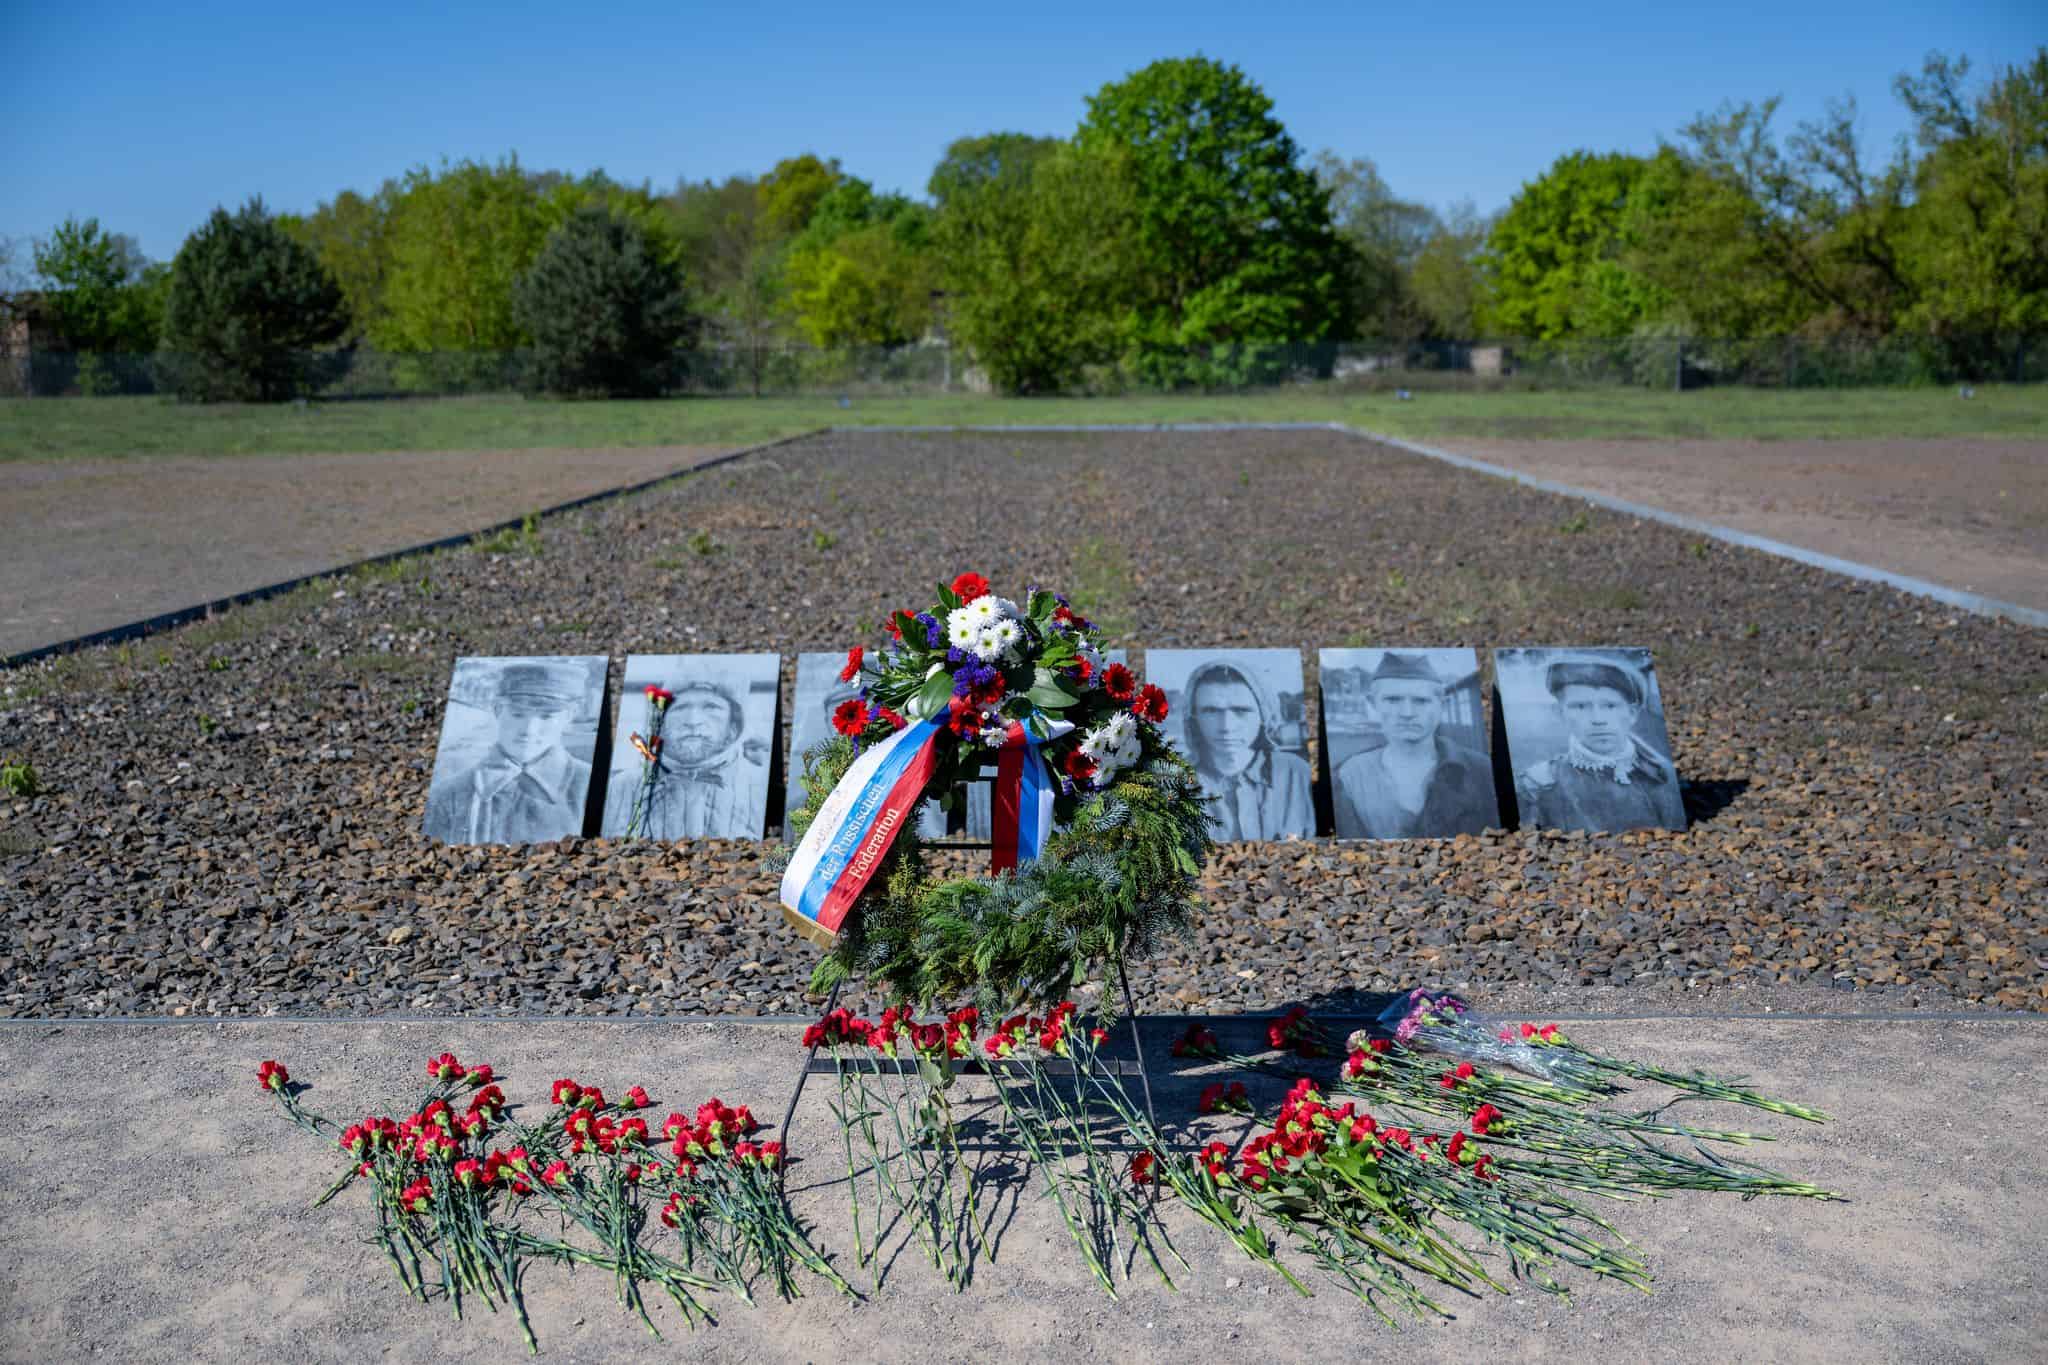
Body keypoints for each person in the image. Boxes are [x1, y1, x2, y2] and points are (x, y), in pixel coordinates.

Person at [426, 660, 593, 844]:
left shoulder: (593, 787)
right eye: (518, 714)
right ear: (498, 710)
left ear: (570, 715)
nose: (529, 729)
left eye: (546, 716)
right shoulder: (448, 796)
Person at [1334, 652, 1497, 839]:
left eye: (1421, 700)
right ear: (1373, 704)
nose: (1407, 712)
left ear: (1441, 706)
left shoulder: (1482, 770)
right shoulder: (1351, 775)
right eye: (1393, 700)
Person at [1515, 656, 1685, 833]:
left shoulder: (1663, 775)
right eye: (1580, 706)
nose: (1598, 720)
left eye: (1610, 706)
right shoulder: (1538, 784)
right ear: (1560, 713)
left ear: (1632, 713)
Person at [606, 675, 769, 839]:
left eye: (711, 708)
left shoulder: (761, 786)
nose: (693, 721)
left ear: (733, 727)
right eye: (680, 708)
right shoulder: (623, 786)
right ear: (662, 724)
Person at [1181, 659, 1314, 841]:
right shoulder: (1168, 781)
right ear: (1193, 717)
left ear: (1263, 714)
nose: (1226, 726)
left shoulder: (1298, 774)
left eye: (1241, 711)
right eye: (1211, 711)